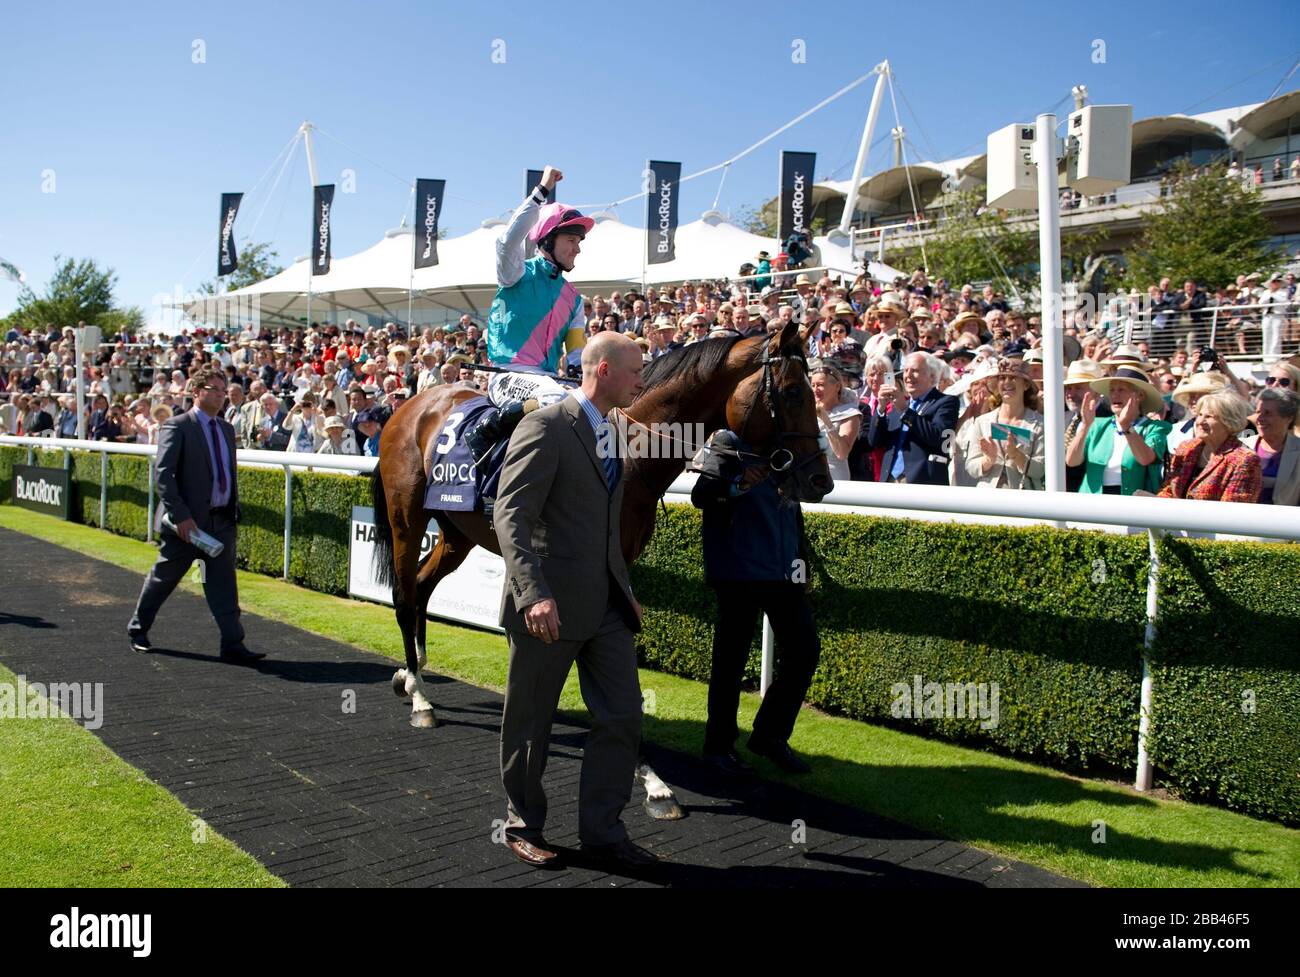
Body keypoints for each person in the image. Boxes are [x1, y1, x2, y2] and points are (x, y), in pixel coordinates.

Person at [493, 332, 651, 871]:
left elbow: (604, 527)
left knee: (624, 716)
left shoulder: (614, 430)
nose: (641, 381)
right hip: (547, 607)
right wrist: (533, 593)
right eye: (635, 371)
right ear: (603, 370)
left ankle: (603, 831)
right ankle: (522, 824)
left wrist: (623, 591)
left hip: (606, 606)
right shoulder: (545, 425)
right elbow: (510, 517)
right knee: (532, 722)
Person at [689, 429, 819, 776]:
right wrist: (738, 482)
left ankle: (769, 736)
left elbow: (795, 512)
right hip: (738, 570)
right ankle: (718, 747)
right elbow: (701, 495)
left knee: (805, 650)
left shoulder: (789, 443)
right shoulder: (728, 442)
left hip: (783, 570)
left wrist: (801, 564)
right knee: (731, 663)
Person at [127, 367, 261, 664]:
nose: (219, 394)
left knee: (224, 586)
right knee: (164, 578)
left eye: (222, 390)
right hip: (187, 525)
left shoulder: (226, 429)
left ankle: (233, 644)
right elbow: (164, 476)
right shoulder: (177, 426)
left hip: (221, 520)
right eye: (213, 389)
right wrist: (181, 516)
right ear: (196, 391)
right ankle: (138, 629)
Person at [464, 165, 591, 461]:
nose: (577, 249)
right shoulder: (516, 274)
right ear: (548, 238)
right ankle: (487, 429)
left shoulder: (573, 299)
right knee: (554, 397)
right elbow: (507, 241)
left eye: (579, 242)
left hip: (548, 377)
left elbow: (575, 354)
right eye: (571, 240)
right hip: (508, 376)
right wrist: (541, 192)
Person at [1068, 367, 1170, 495]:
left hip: (1131, 503)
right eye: (1112, 390)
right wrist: (1085, 426)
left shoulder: (1155, 428)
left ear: (1140, 395)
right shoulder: (1097, 424)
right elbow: (1072, 461)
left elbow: (1145, 459)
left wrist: (1127, 427)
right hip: (1092, 502)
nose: (1115, 395)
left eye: (1121, 390)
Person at [867, 351, 960, 485]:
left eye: (915, 370)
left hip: (922, 481)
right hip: (889, 479)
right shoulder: (898, 406)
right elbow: (875, 441)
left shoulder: (945, 402)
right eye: (905, 370)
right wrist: (881, 409)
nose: (908, 376)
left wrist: (905, 411)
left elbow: (939, 438)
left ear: (932, 376)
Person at [1158, 390, 1261, 503]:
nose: (1200, 421)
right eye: (1200, 415)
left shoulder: (1243, 460)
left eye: (1209, 416)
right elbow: (1168, 489)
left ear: (1228, 422)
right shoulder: (1187, 448)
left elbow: (1233, 509)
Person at [962, 358, 1045, 489]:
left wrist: (1016, 455)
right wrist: (988, 460)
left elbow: (1040, 470)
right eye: (1002, 378)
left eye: (1013, 378)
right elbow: (971, 466)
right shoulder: (982, 422)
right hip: (988, 499)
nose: (1007, 382)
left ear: (1026, 385)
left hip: (1023, 500)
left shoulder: (1040, 424)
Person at [1242, 387, 1300, 505]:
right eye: (1258, 412)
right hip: (1242, 519)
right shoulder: (1242, 445)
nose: (1260, 418)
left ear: (1288, 418)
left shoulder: (1297, 449)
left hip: (1284, 521)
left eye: (1267, 413)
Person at [809, 361, 860, 484]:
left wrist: (826, 419)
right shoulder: (806, 412)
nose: (816, 389)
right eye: (813, 385)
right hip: (808, 477)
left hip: (834, 478)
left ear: (837, 386)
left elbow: (842, 453)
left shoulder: (849, 413)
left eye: (820, 385)